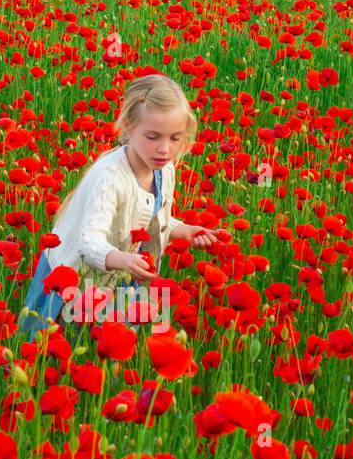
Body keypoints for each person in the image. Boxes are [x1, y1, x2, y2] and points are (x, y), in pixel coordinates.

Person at [18, 74, 220, 342]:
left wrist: (182, 230)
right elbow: (88, 242)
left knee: (105, 349)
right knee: (61, 352)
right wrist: (124, 260)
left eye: (175, 138)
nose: (164, 148)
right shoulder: (111, 177)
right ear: (128, 126)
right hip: (75, 278)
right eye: (153, 136)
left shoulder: (164, 169)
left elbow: (151, 219)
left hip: (118, 272)